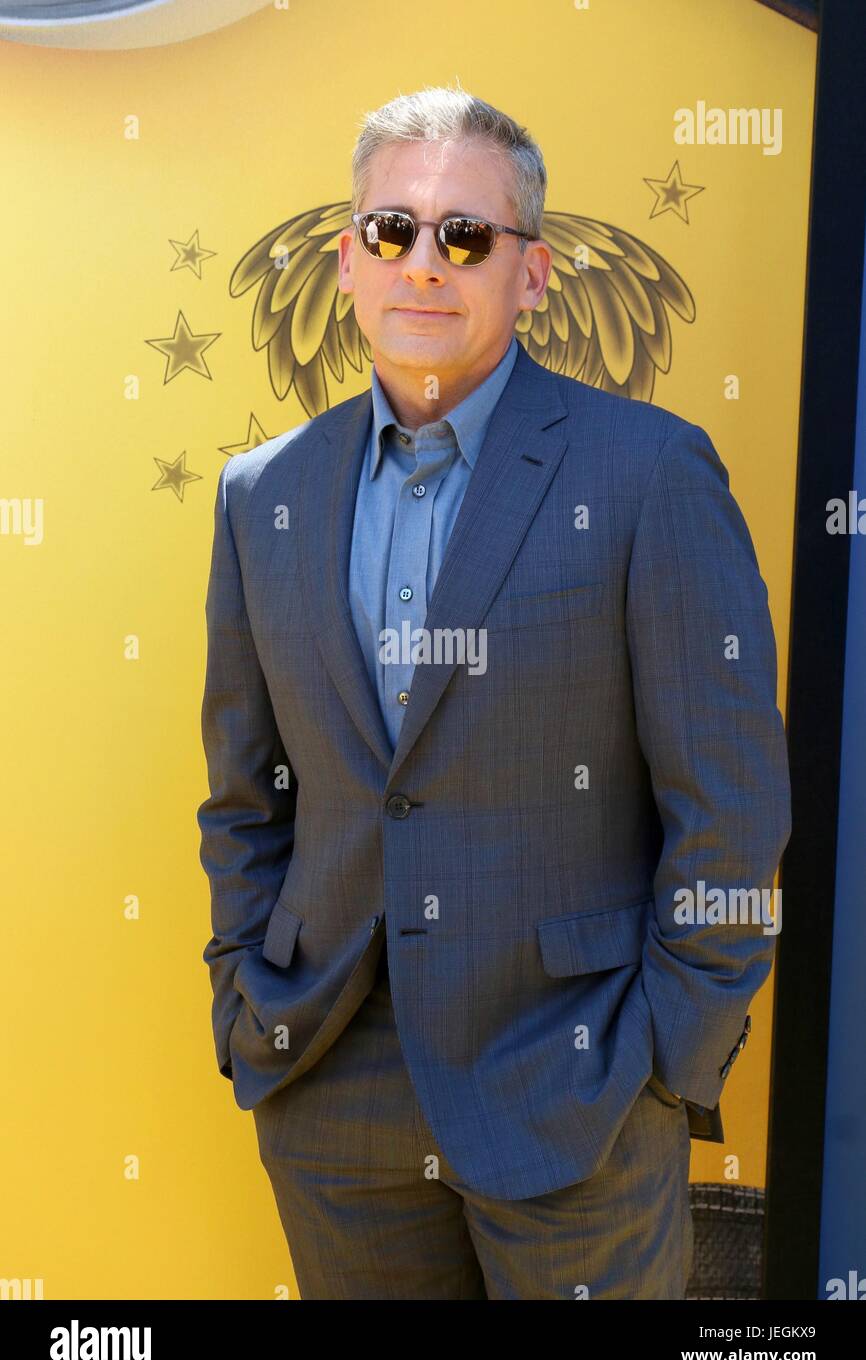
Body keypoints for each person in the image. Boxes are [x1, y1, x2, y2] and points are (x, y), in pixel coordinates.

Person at [196, 85, 791, 1299]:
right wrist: (245, 993)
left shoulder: (645, 473)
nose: (425, 262)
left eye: (465, 234)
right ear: (348, 259)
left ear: (531, 273)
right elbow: (246, 791)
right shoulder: (263, 494)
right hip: (330, 1089)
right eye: (391, 230)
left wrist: (665, 1061)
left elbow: (729, 807)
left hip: (573, 1086)